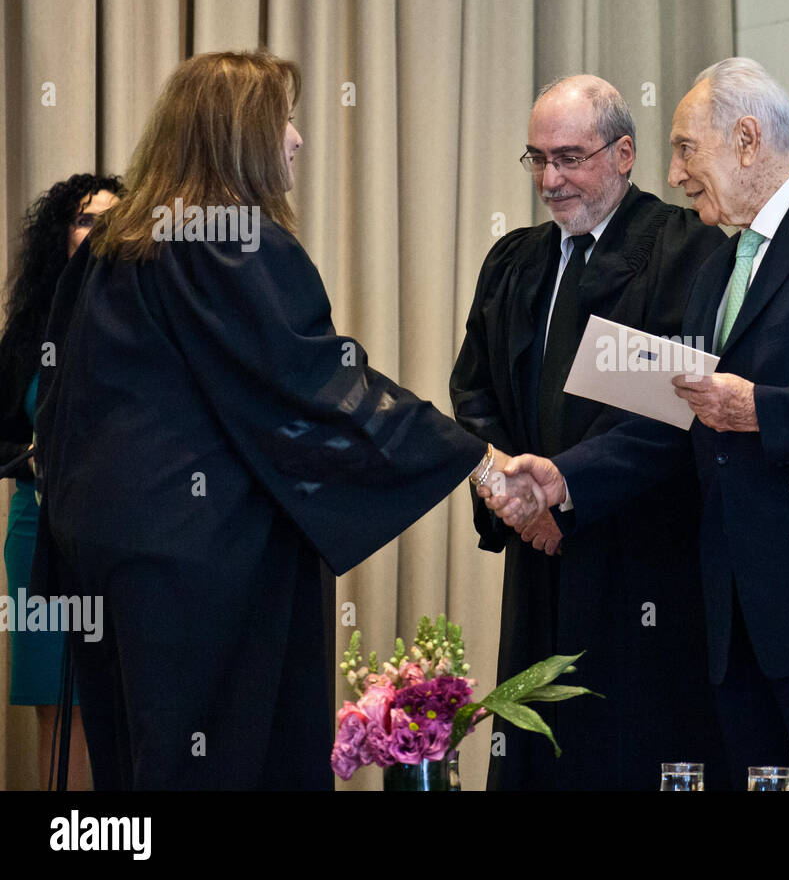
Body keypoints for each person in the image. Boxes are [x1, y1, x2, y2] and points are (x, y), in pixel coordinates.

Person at [31, 50, 537, 789]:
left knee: (140, 766)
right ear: (236, 136)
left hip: (110, 559)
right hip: (203, 567)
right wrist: (477, 460)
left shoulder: (115, 246)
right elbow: (317, 385)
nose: (297, 139)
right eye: (284, 122)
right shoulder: (231, 242)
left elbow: (62, 403)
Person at [488, 58, 789, 790]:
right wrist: (565, 477)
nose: (673, 174)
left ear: (746, 138)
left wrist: (761, 407)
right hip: (735, 626)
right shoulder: (718, 269)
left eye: (686, 149)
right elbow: (671, 417)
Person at [449, 74, 728, 789]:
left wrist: (564, 490)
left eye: (570, 157)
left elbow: (670, 408)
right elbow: (473, 391)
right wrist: (508, 488)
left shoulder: (685, 250)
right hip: (537, 559)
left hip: (639, 562)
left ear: (625, 153)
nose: (551, 179)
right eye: (538, 159)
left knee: (624, 752)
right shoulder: (515, 261)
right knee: (536, 755)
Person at [1, 174, 121, 789]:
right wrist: (31, 457)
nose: (97, 232)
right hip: (39, 532)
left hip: (124, 541)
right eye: (83, 219)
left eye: (111, 220)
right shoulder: (28, 332)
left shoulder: (148, 321)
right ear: (60, 235)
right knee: (59, 704)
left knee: (122, 705)